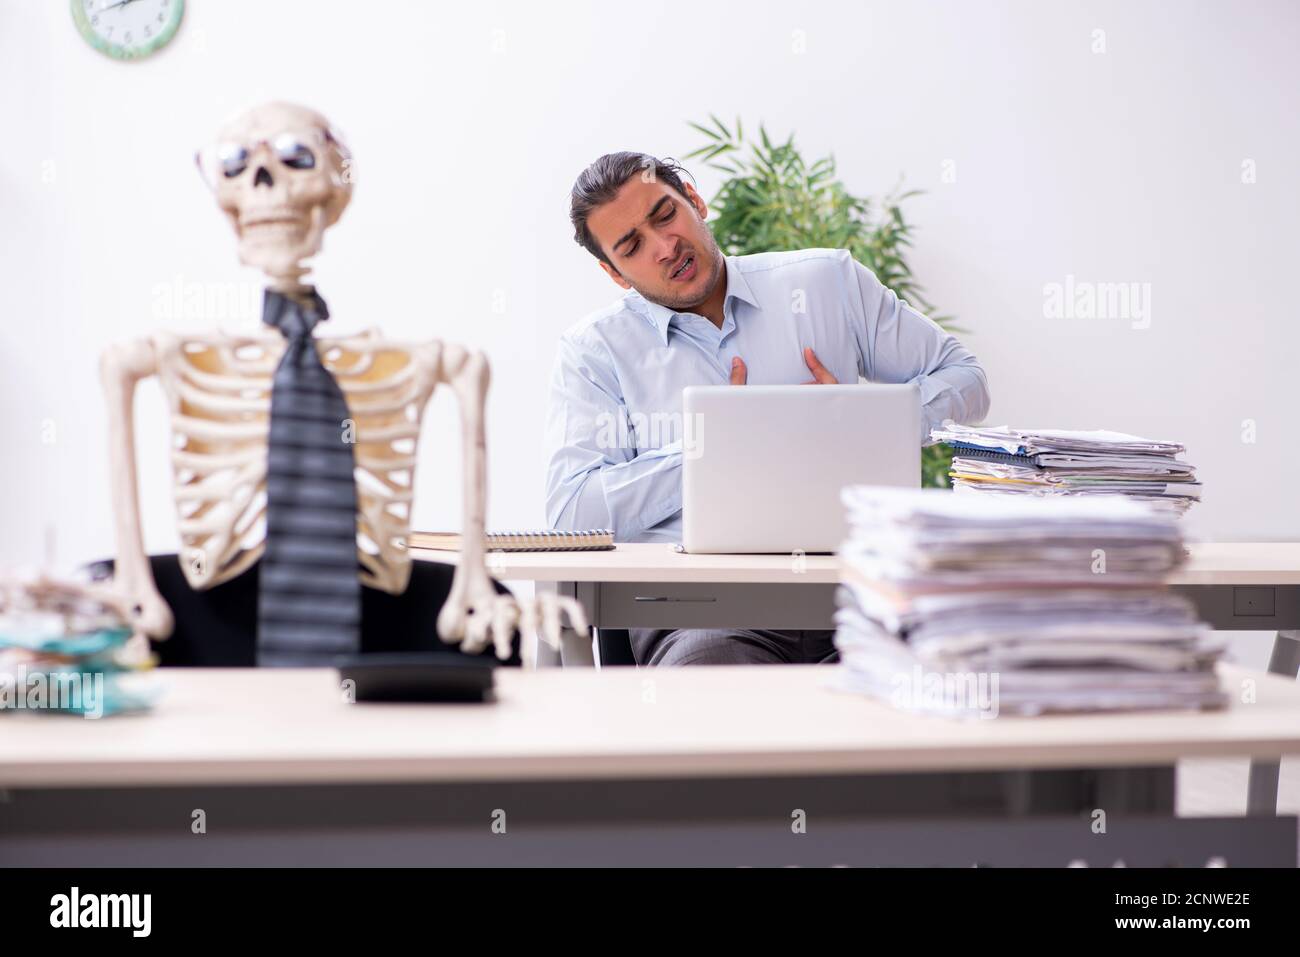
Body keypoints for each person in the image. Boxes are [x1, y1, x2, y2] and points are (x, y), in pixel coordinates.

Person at [545, 152, 990, 666]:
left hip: (857, 595)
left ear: (694, 199)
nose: (665, 247)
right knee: (712, 686)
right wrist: (713, 450)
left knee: (955, 674)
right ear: (615, 273)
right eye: (632, 246)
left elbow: (967, 380)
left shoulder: (829, 284)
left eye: (665, 215)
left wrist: (863, 420)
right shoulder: (594, 352)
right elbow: (572, 513)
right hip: (700, 612)